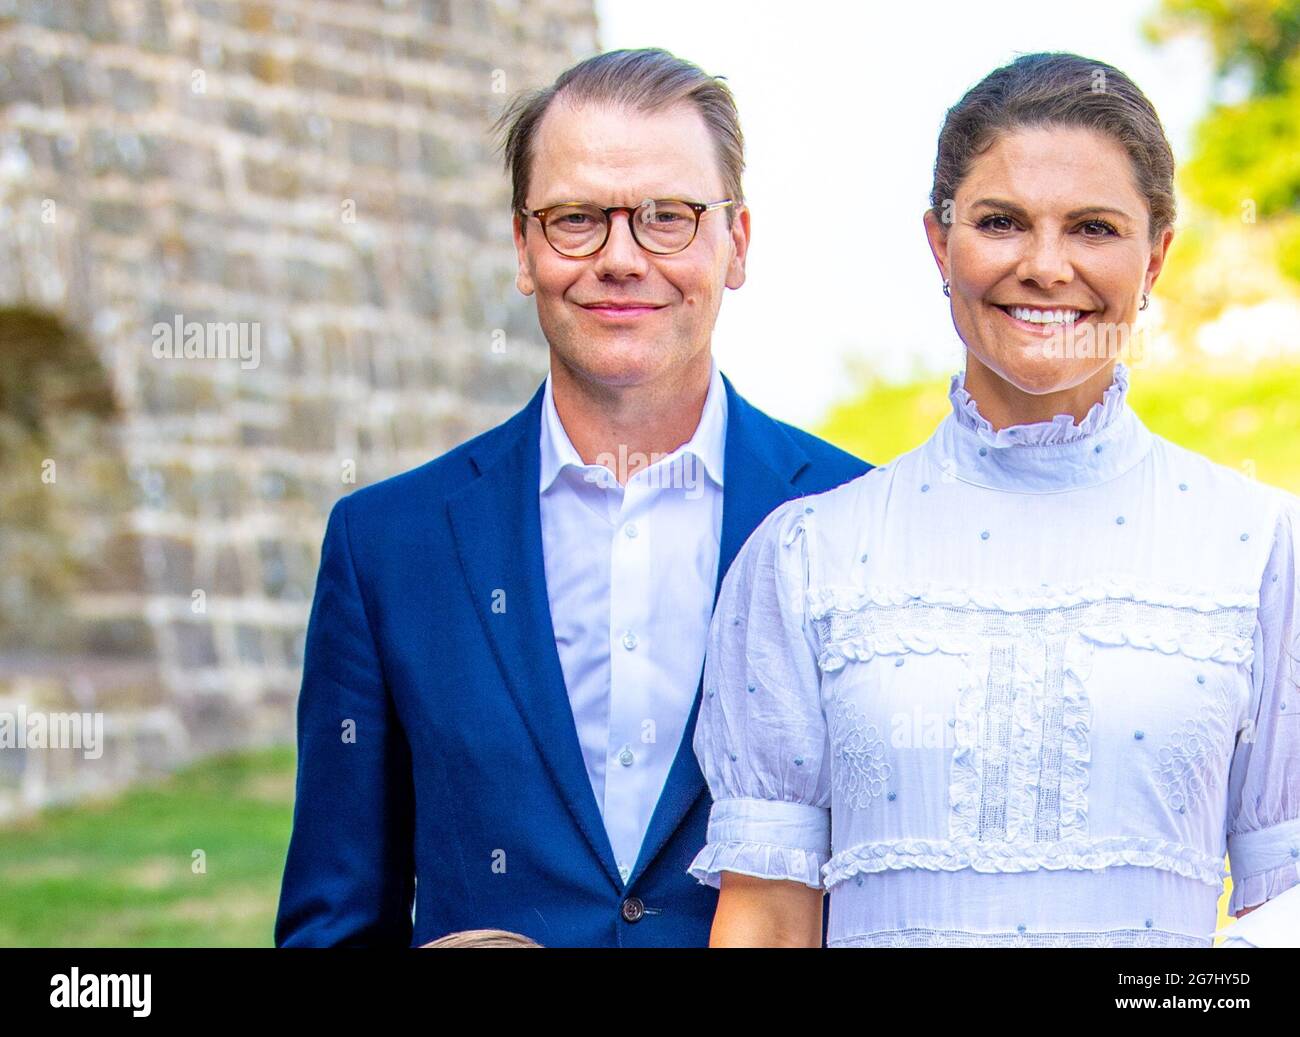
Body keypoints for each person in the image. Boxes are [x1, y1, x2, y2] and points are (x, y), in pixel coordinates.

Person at [689, 51, 1300, 947]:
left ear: (1156, 256)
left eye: (1093, 227)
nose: (1046, 266)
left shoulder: (1259, 549)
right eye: (1002, 222)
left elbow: (1283, 910)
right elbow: (770, 921)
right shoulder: (808, 556)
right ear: (939, 244)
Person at [274, 48, 870, 947]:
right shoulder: (384, 546)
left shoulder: (856, 517)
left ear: (736, 242)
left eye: (669, 217)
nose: (622, 257)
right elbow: (331, 923)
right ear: (523, 247)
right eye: (576, 219)